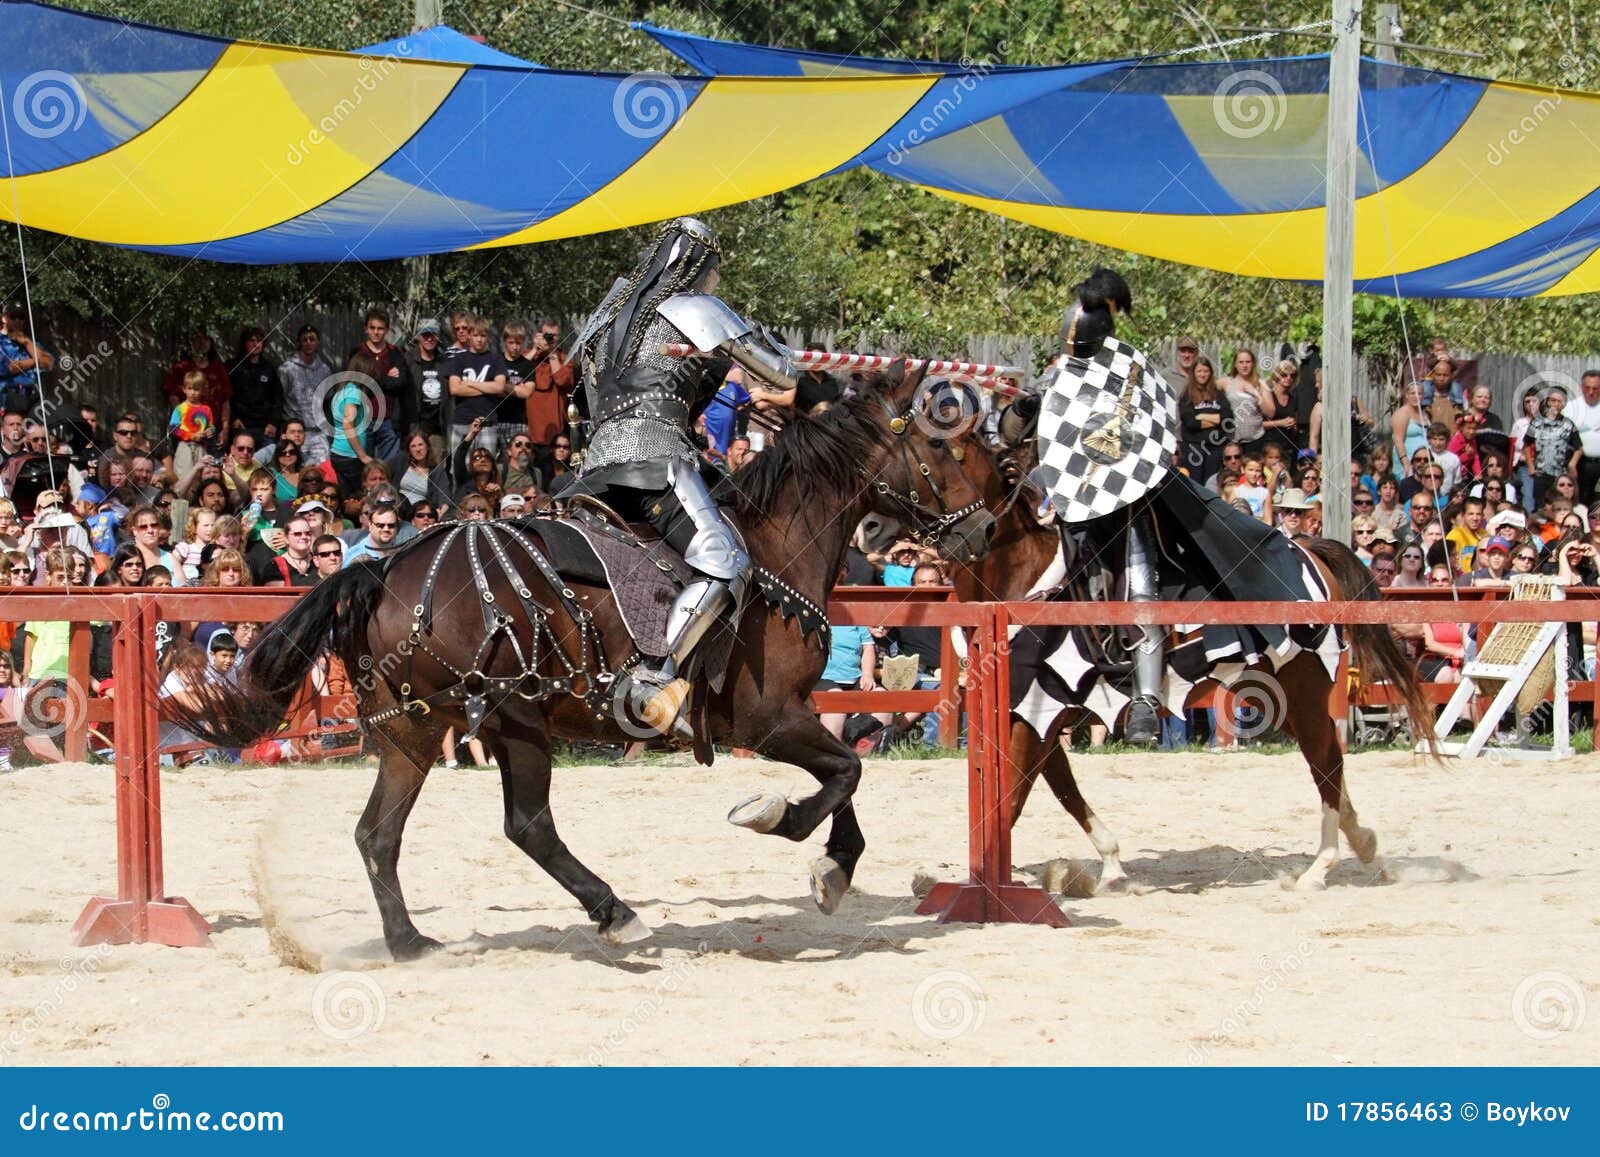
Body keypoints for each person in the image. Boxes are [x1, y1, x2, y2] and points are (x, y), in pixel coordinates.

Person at [1030, 269, 1323, 746]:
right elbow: (1042, 420)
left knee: (1140, 565)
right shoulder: (1062, 374)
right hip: (1071, 493)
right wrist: (1022, 408)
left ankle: (1146, 697)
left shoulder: (1132, 372)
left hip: (1133, 496)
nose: (1072, 349)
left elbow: (1151, 431)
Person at [570, 216, 797, 735]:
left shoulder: (606, 314)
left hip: (595, 468)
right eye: (713, 271)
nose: (713, 281)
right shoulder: (693, 307)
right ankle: (658, 681)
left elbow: (578, 397)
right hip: (656, 461)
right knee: (724, 562)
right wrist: (759, 338)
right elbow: (783, 374)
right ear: (701, 264)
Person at [278, 325, 335, 465]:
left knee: (323, 470)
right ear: (299, 343)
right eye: (305, 340)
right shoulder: (286, 369)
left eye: (312, 339)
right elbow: (279, 399)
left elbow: (328, 399)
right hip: (295, 432)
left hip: (317, 432)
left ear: (318, 343)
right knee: (293, 470)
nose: (308, 343)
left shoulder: (325, 370)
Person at [1177, 356, 1232, 481]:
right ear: (1194, 373)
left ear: (1210, 373)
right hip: (1194, 447)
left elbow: (1228, 419)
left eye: (1206, 371)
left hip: (1215, 447)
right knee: (1195, 483)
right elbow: (1190, 422)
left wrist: (1202, 416)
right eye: (1199, 371)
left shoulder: (1218, 394)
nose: (1203, 374)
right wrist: (1216, 420)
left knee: (1211, 482)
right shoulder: (1187, 395)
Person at [524, 317, 574, 447]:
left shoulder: (564, 358)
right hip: (529, 431)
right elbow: (517, 373)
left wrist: (551, 352)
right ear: (539, 335)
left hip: (555, 433)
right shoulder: (530, 356)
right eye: (547, 335)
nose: (551, 338)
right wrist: (535, 348)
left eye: (554, 335)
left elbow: (562, 381)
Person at [229, 326, 282, 445]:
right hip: (241, 425)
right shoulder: (233, 366)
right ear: (244, 343)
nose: (255, 344)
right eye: (251, 341)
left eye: (258, 340)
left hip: (265, 428)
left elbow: (278, 399)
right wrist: (234, 418)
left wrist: (273, 423)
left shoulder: (269, 368)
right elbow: (227, 397)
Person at [406, 318, 452, 455]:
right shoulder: (408, 360)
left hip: (438, 426)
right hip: (415, 425)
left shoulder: (445, 361)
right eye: (425, 335)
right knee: (414, 470)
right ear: (418, 336)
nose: (429, 339)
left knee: (436, 470)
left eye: (433, 335)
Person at [166, 369, 214, 479]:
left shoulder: (206, 409)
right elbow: (173, 429)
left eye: (196, 389)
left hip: (201, 448)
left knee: (201, 478)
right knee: (184, 477)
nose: (193, 392)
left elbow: (211, 426)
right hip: (185, 447)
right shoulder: (180, 408)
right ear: (184, 389)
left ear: (202, 390)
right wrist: (191, 435)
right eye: (190, 389)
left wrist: (210, 431)